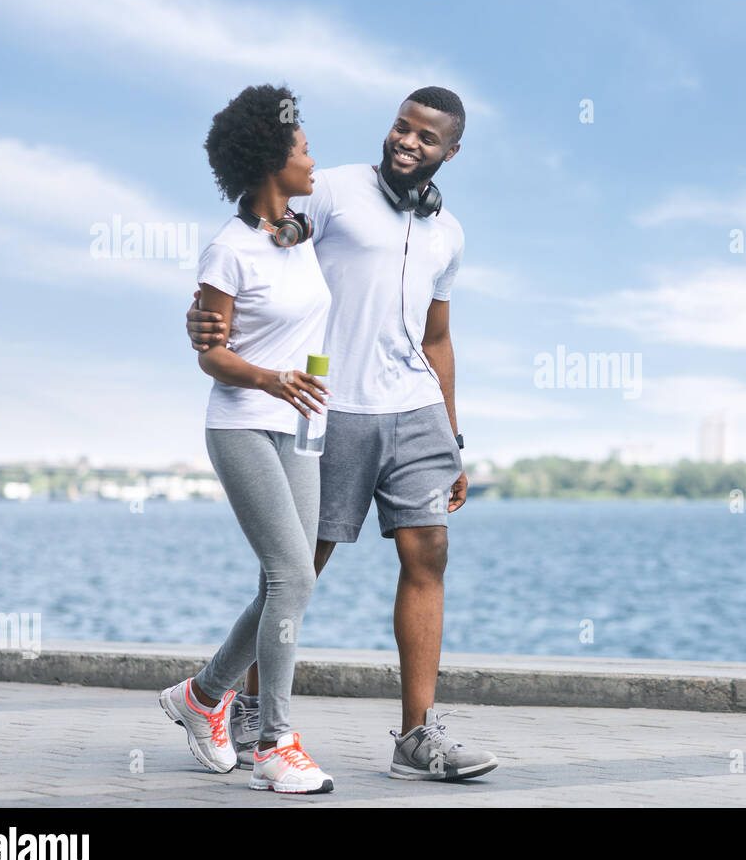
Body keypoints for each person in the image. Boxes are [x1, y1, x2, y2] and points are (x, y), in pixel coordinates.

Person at [187, 87, 498, 781]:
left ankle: (417, 736)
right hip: (331, 405)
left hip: (416, 408)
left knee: (430, 554)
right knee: (300, 569)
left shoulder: (449, 233)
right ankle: (243, 703)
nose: (407, 143)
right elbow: (262, 239)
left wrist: (453, 437)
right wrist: (205, 317)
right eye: (401, 128)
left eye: (425, 138)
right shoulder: (331, 192)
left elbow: (439, 336)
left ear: (450, 152)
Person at [160, 84, 335, 794]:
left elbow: (308, 224)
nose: (313, 159)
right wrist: (270, 379)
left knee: (290, 580)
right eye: (302, 150)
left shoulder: (294, 228)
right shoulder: (228, 249)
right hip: (243, 423)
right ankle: (275, 743)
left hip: (302, 426)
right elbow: (211, 352)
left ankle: (201, 697)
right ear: (271, 163)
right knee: (291, 575)